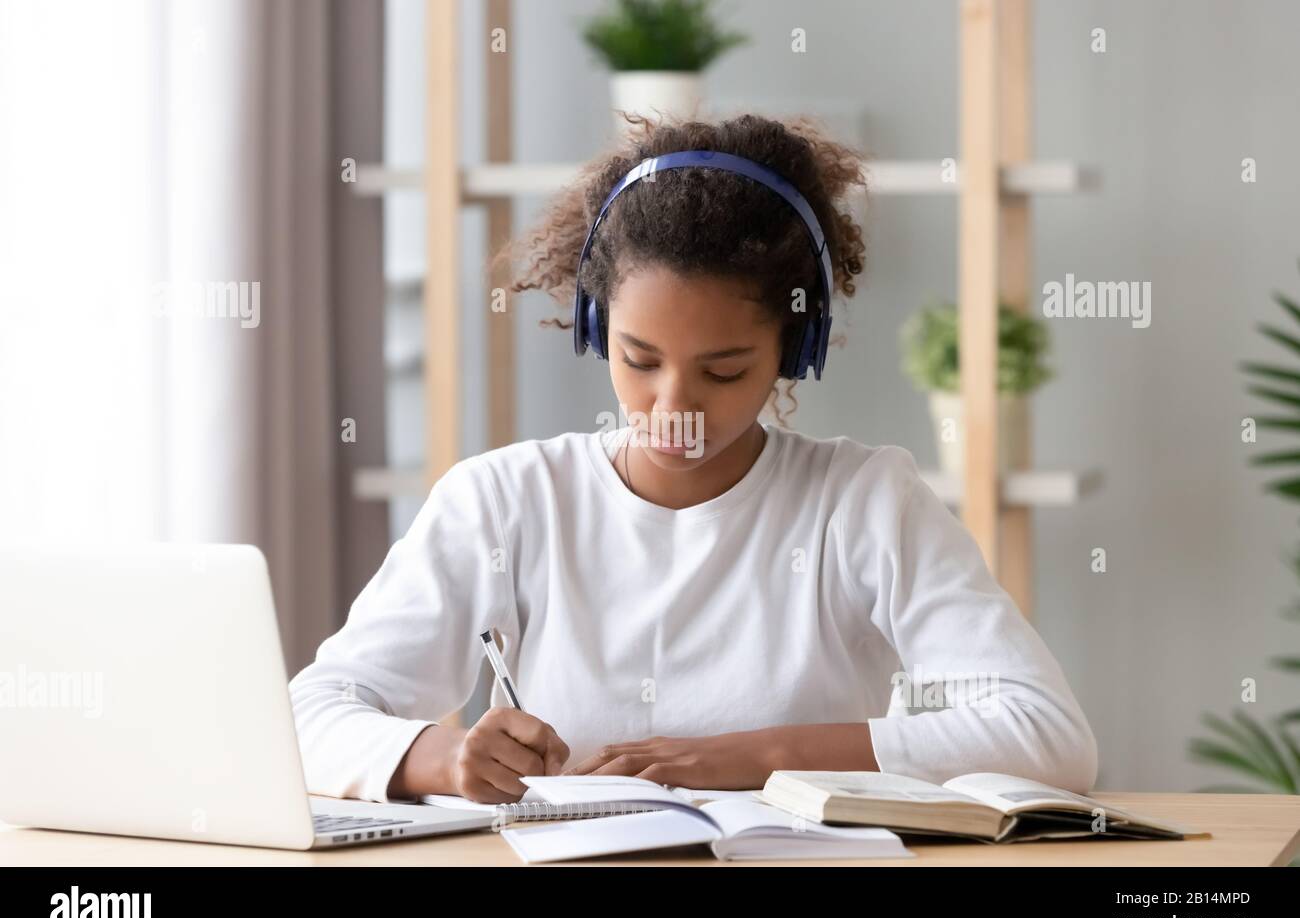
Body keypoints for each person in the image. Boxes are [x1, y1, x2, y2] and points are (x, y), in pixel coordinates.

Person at [288, 112, 1098, 805]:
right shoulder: (505, 498)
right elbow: (308, 716)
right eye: (640, 361)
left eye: (723, 371)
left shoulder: (864, 501)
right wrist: (442, 758)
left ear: (795, 348)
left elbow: (1048, 733)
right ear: (597, 330)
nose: (673, 408)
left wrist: (749, 758)